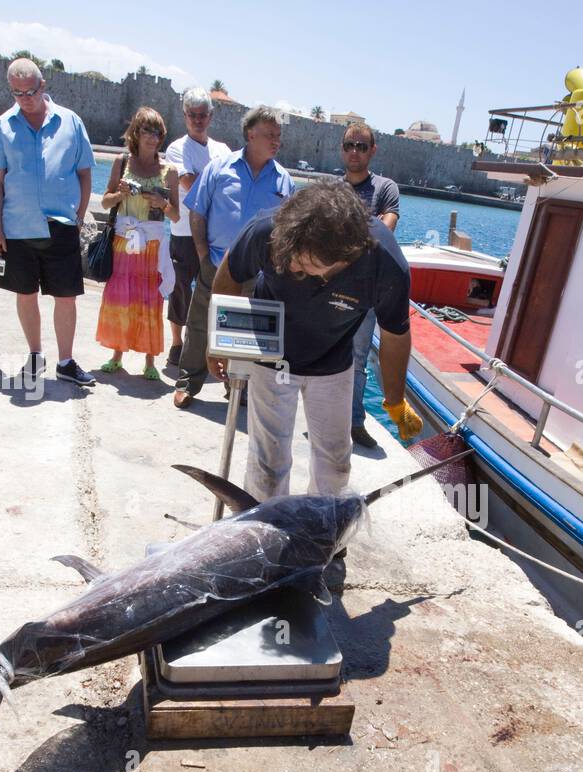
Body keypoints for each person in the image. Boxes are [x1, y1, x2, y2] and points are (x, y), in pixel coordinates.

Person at [205, 182, 423, 590]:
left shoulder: (383, 261)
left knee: (335, 462)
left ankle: (322, 538)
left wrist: (394, 400)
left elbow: (395, 334)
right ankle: (261, 538)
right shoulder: (267, 231)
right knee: (269, 461)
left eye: (306, 269)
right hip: (272, 356)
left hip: (333, 362)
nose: (295, 272)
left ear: (347, 257)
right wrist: (213, 338)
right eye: (292, 265)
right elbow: (230, 274)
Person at [0, 58, 96, 388]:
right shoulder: (2, 127)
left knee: (66, 296)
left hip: (60, 224)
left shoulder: (70, 122)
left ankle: (65, 361)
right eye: (17, 93)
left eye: (30, 91)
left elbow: (85, 173)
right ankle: (35, 356)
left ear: (43, 86)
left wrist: (79, 216)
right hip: (18, 227)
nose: (25, 98)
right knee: (25, 293)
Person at [174, 104, 294, 409]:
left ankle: (236, 389)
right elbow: (197, 212)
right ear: (250, 134)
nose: (276, 140)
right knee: (201, 323)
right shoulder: (219, 168)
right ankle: (189, 382)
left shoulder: (284, 181)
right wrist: (202, 255)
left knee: (245, 333)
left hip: (258, 274)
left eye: (278, 135)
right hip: (215, 262)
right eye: (270, 134)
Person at [95, 107, 180, 379]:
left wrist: (162, 203)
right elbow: (105, 201)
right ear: (136, 133)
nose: (153, 137)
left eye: (157, 132)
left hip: (152, 246)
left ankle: (150, 361)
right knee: (121, 297)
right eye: (147, 131)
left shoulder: (170, 171)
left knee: (150, 301)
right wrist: (118, 194)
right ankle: (117, 355)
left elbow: (176, 215)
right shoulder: (122, 163)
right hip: (123, 242)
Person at [339, 122, 400, 448]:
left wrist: (348, 238)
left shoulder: (386, 189)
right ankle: (323, 416)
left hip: (365, 293)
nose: (354, 152)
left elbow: (384, 230)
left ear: (372, 151)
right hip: (328, 289)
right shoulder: (332, 190)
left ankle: (354, 422)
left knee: (357, 361)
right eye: (350, 145)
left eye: (361, 146)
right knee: (322, 354)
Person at [162, 88, 229, 370]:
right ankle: (177, 343)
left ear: (210, 117)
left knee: (215, 290)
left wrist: (210, 183)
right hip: (183, 232)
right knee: (180, 288)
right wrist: (215, 183)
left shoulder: (222, 150)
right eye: (193, 115)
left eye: (203, 115)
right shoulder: (177, 148)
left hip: (215, 234)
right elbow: (191, 184)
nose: (198, 120)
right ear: (185, 115)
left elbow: (211, 186)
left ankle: (205, 348)